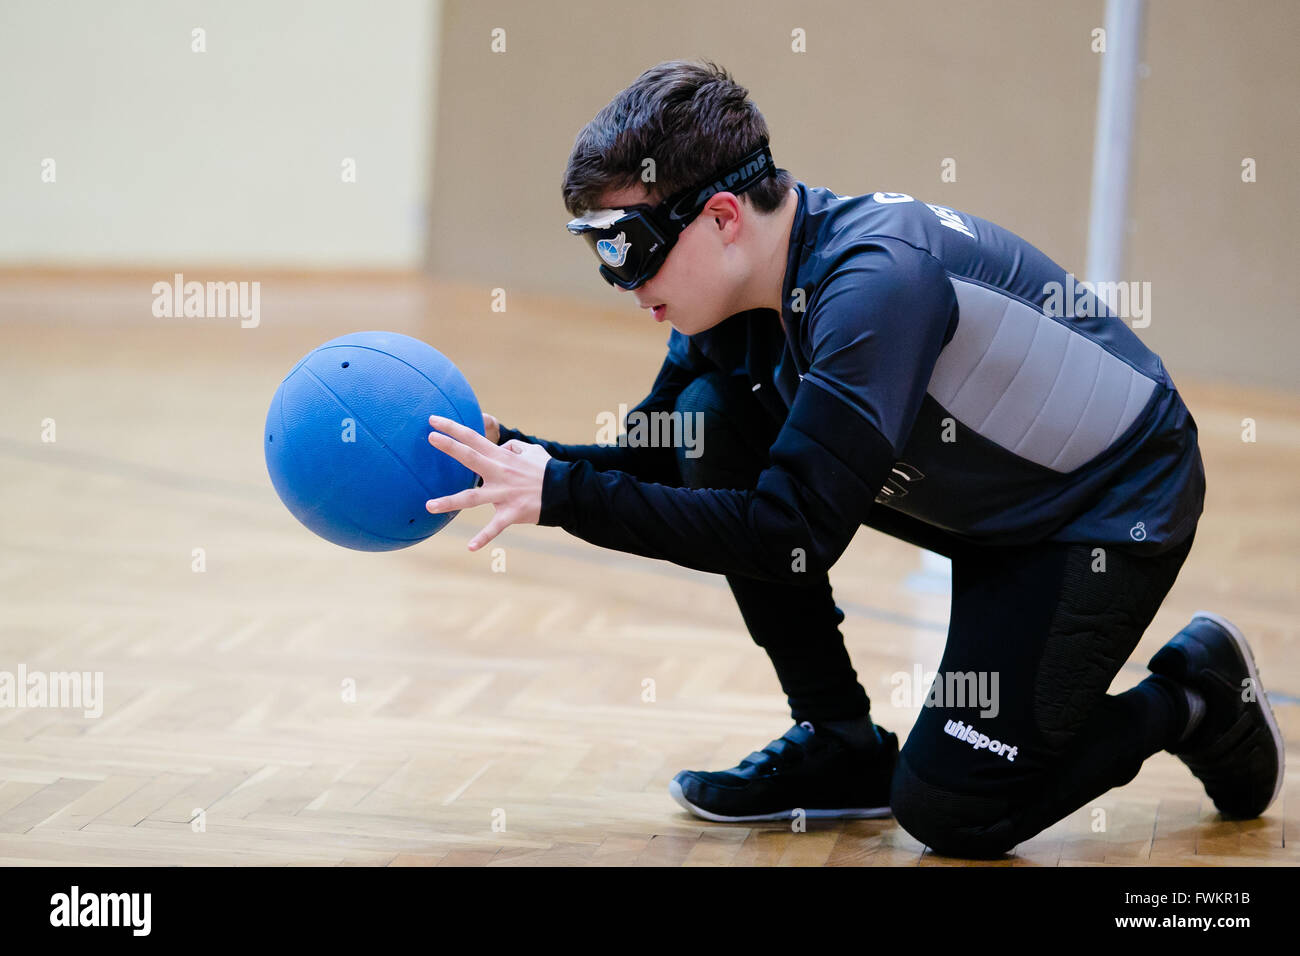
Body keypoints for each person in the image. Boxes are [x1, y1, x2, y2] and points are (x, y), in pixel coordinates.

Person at [423, 59, 1284, 858]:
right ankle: (837, 742)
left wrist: (560, 491)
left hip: (1100, 510)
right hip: (981, 503)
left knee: (956, 812)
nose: (622, 281)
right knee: (704, 422)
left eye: (628, 248)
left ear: (721, 217)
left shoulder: (874, 285)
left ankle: (1196, 697)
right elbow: (653, 459)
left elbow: (790, 531)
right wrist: (519, 459)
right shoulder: (731, 302)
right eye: (600, 250)